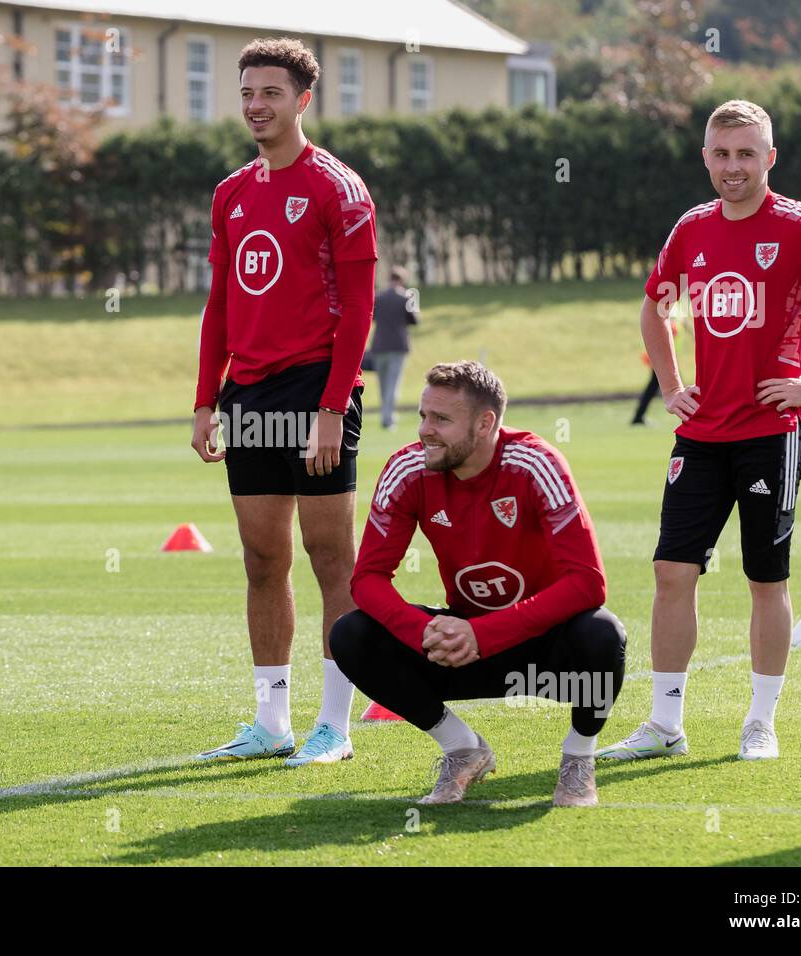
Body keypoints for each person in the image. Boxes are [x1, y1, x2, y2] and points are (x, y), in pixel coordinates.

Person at [598, 100, 801, 763]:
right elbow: (654, 306)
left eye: (746, 154)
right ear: (705, 157)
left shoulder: (800, 227)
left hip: (771, 434)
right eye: (721, 154)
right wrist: (672, 386)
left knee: (766, 580)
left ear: (770, 157)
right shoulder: (690, 229)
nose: (733, 167)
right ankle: (665, 725)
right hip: (701, 434)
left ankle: (760, 723)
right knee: (672, 572)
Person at [190, 38, 377, 766]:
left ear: (303, 99)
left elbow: (358, 308)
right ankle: (272, 722)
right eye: (245, 93)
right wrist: (207, 399)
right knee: (262, 559)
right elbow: (220, 305)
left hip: (316, 387)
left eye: (270, 92)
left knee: (331, 557)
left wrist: (333, 405)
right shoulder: (231, 193)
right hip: (250, 394)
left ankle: (336, 725)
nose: (255, 105)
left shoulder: (337, 186)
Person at [331, 362, 626, 807]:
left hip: (542, 649)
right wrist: (422, 630)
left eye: (442, 420)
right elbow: (368, 579)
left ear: (485, 423)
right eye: (423, 415)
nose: (426, 430)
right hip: (462, 649)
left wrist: (484, 635)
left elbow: (587, 583)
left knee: (603, 635)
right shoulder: (408, 468)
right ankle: (462, 748)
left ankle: (578, 758)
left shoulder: (534, 463)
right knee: (351, 633)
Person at [368, 268, 419, 428]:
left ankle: (386, 415)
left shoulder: (378, 297)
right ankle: (388, 419)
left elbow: (372, 317)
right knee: (392, 384)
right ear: (402, 280)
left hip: (379, 345)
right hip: (397, 346)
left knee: (383, 385)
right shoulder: (405, 298)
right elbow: (414, 321)